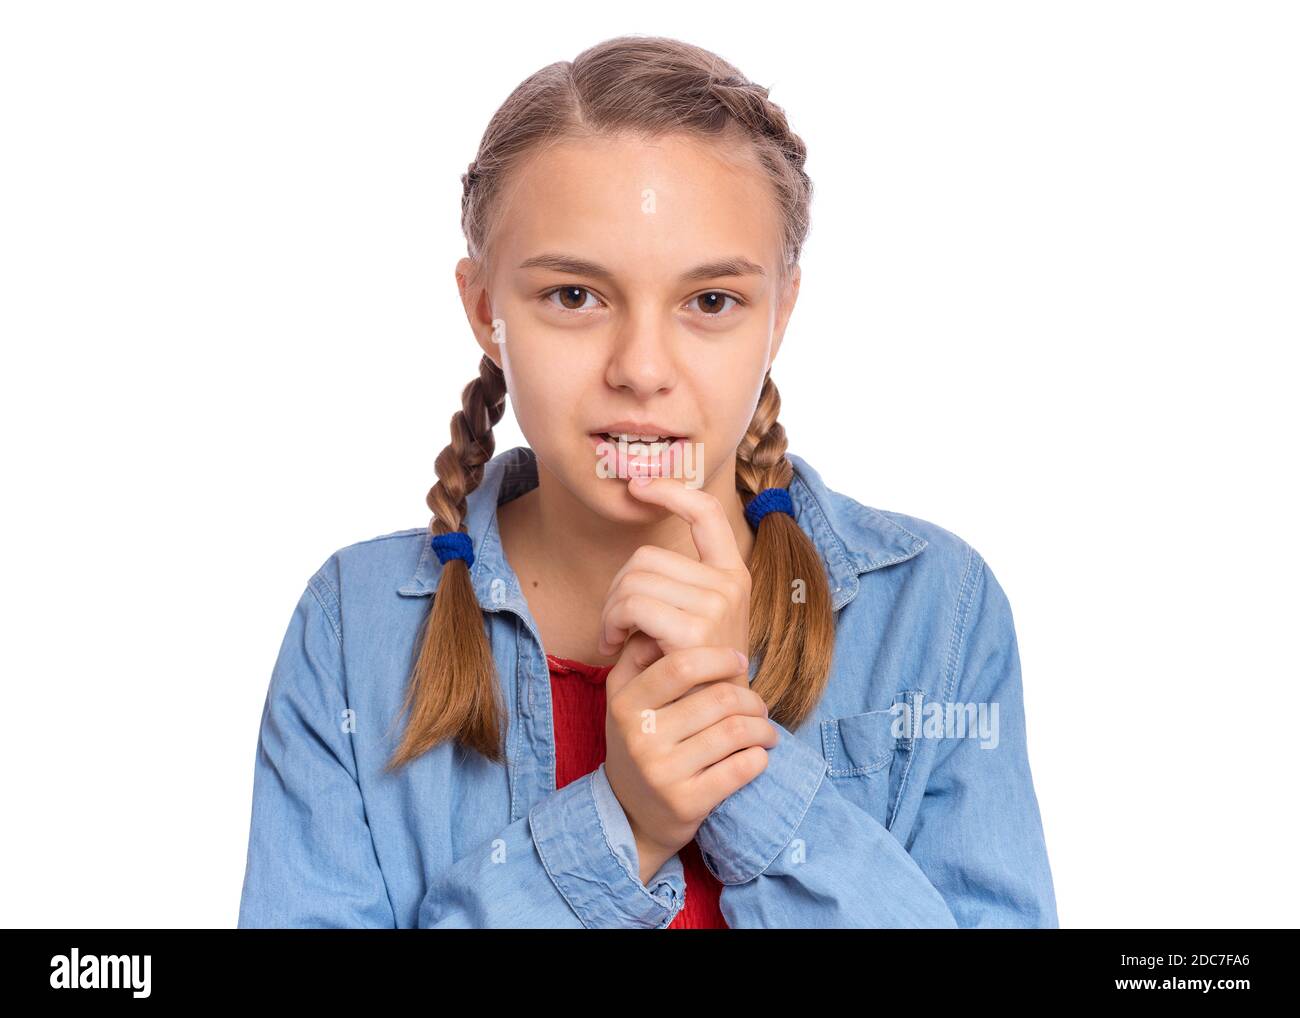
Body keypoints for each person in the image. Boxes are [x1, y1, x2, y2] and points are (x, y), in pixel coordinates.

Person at [237, 35, 1058, 929]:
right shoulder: (354, 631)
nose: (640, 369)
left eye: (710, 302)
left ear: (780, 312)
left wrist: (745, 776)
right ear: (485, 309)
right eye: (574, 297)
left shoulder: (936, 611)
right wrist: (619, 829)